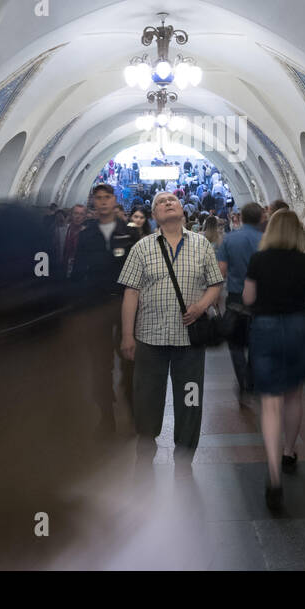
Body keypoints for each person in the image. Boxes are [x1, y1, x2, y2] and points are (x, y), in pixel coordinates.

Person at [119, 191, 224, 474]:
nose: (167, 203)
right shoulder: (142, 247)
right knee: (147, 397)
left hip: (189, 340)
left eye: (172, 200)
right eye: (161, 202)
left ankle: (184, 457)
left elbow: (215, 284)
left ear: (182, 210)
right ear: (154, 215)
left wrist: (200, 307)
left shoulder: (201, 244)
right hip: (150, 337)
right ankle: (145, 450)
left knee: (190, 398)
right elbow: (131, 292)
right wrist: (127, 336)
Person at [242, 209, 305, 511]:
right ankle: (289, 452)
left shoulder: (258, 259)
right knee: (294, 395)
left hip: (265, 328)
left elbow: (248, 298)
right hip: (298, 327)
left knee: (270, 402)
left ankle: (274, 474)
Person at [70, 183, 141, 436]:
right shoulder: (86, 235)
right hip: (96, 305)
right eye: (98, 198)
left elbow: (139, 271)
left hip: (125, 304)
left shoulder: (129, 233)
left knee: (131, 359)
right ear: (94, 202)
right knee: (100, 364)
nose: (102, 202)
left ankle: (133, 408)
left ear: (114, 200)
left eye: (106, 197)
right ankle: (106, 415)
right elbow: (78, 273)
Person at [216, 201, 267, 407]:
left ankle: (243, 383)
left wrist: (216, 297)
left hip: (236, 297)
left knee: (236, 344)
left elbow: (221, 271)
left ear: (242, 218)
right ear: (261, 218)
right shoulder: (267, 240)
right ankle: (252, 381)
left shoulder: (230, 240)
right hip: (262, 298)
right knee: (257, 342)